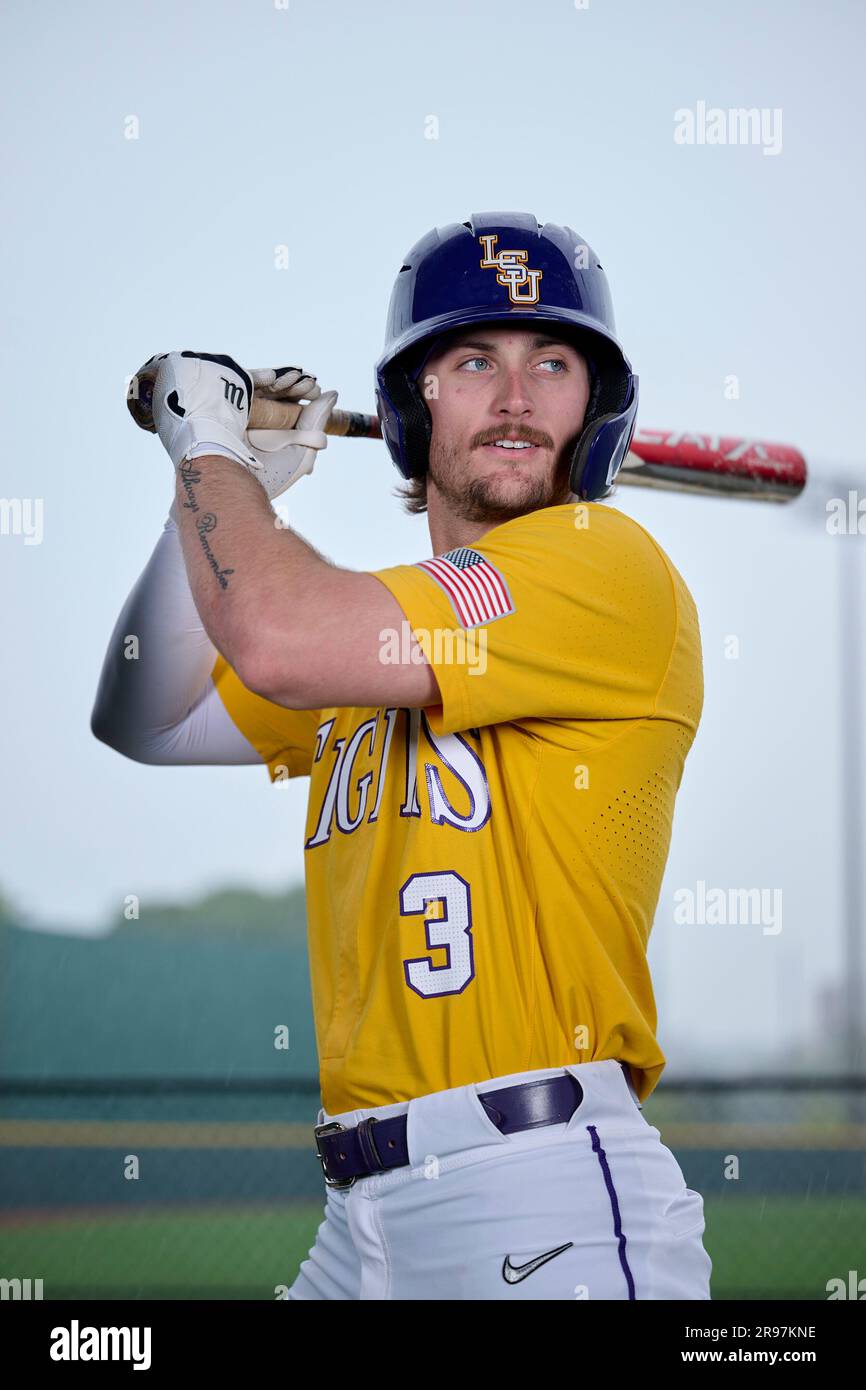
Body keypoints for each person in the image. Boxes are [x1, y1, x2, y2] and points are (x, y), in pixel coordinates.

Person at [92, 212, 711, 1300]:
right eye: (472, 361)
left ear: (594, 407)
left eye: (551, 363)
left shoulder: (600, 565)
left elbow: (275, 634)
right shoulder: (377, 636)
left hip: (540, 1190)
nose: (515, 399)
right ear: (408, 408)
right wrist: (225, 487)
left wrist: (212, 448)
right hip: (358, 1212)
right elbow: (144, 710)